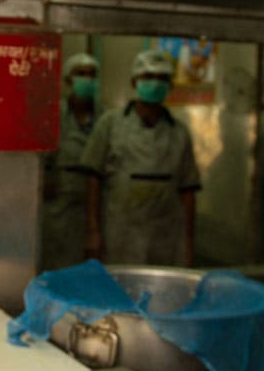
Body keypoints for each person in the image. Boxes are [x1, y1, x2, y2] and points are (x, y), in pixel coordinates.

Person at [82, 49, 201, 267]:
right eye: (148, 77)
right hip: (121, 233)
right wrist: (93, 231)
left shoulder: (179, 132)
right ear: (134, 81)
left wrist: (188, 246)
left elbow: (188, 191)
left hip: (165, 236)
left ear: (170, 85)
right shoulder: (110, 124)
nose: (155, 83)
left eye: (162, 78)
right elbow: (93, 179)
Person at [40, 52, 100, 271]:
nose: (88, 79)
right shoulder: (53, 113)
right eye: (81, 74)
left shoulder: (105, 118)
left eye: (92, 75)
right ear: (67, 80)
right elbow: (40, 152)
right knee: (56, 258)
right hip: (59, 198)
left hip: (93, 200)